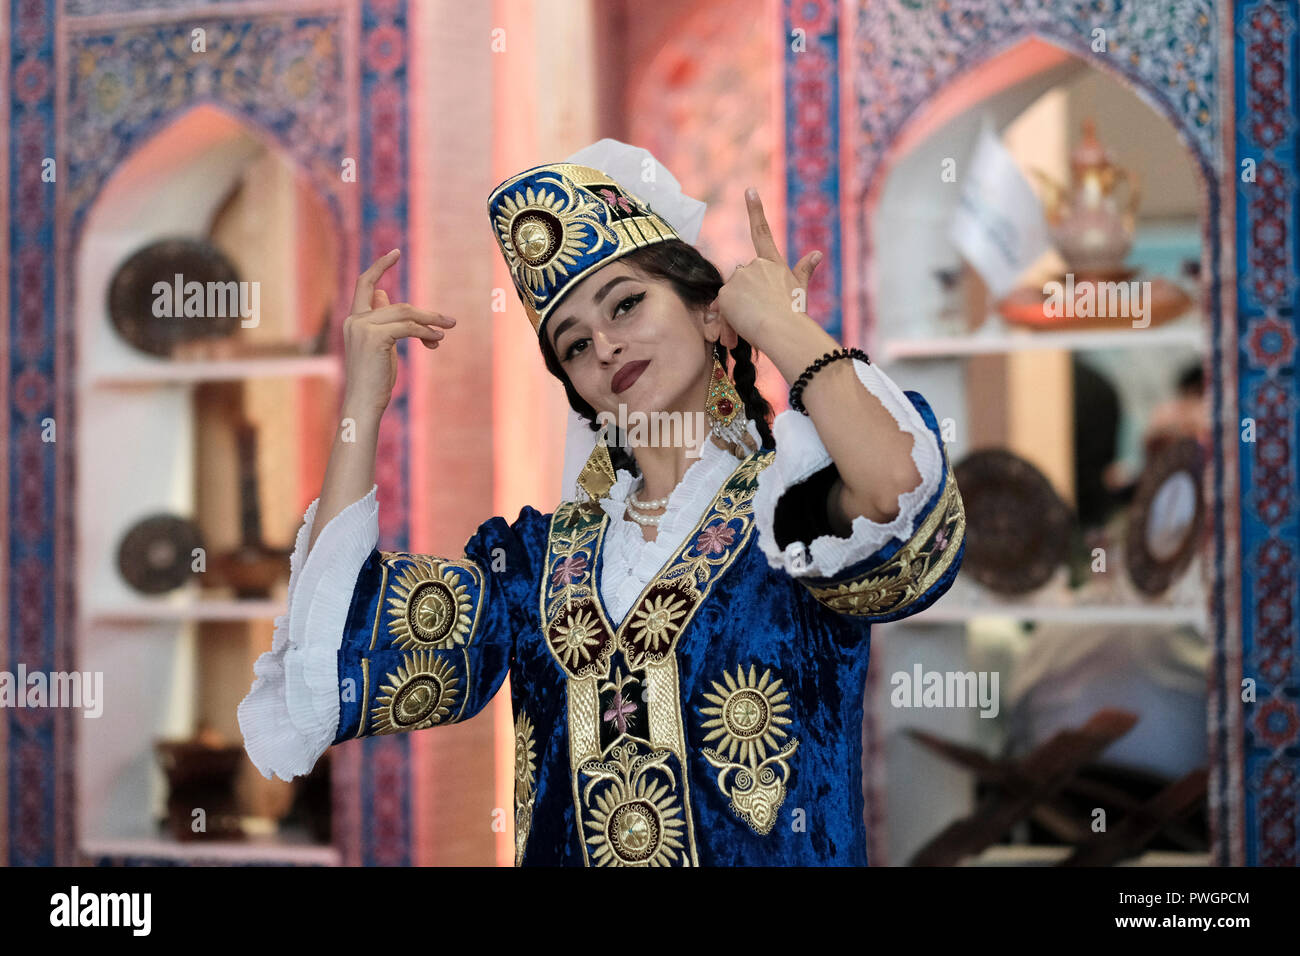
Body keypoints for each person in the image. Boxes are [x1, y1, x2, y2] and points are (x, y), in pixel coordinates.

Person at [238, 139, 966, 866]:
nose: (606, 346)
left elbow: (901, 494)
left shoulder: (789, 511)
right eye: (575, 345)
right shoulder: (532, 563)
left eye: (625, 304)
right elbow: (336, 655)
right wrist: (361, 402)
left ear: (709, 314)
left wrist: (779, 324)